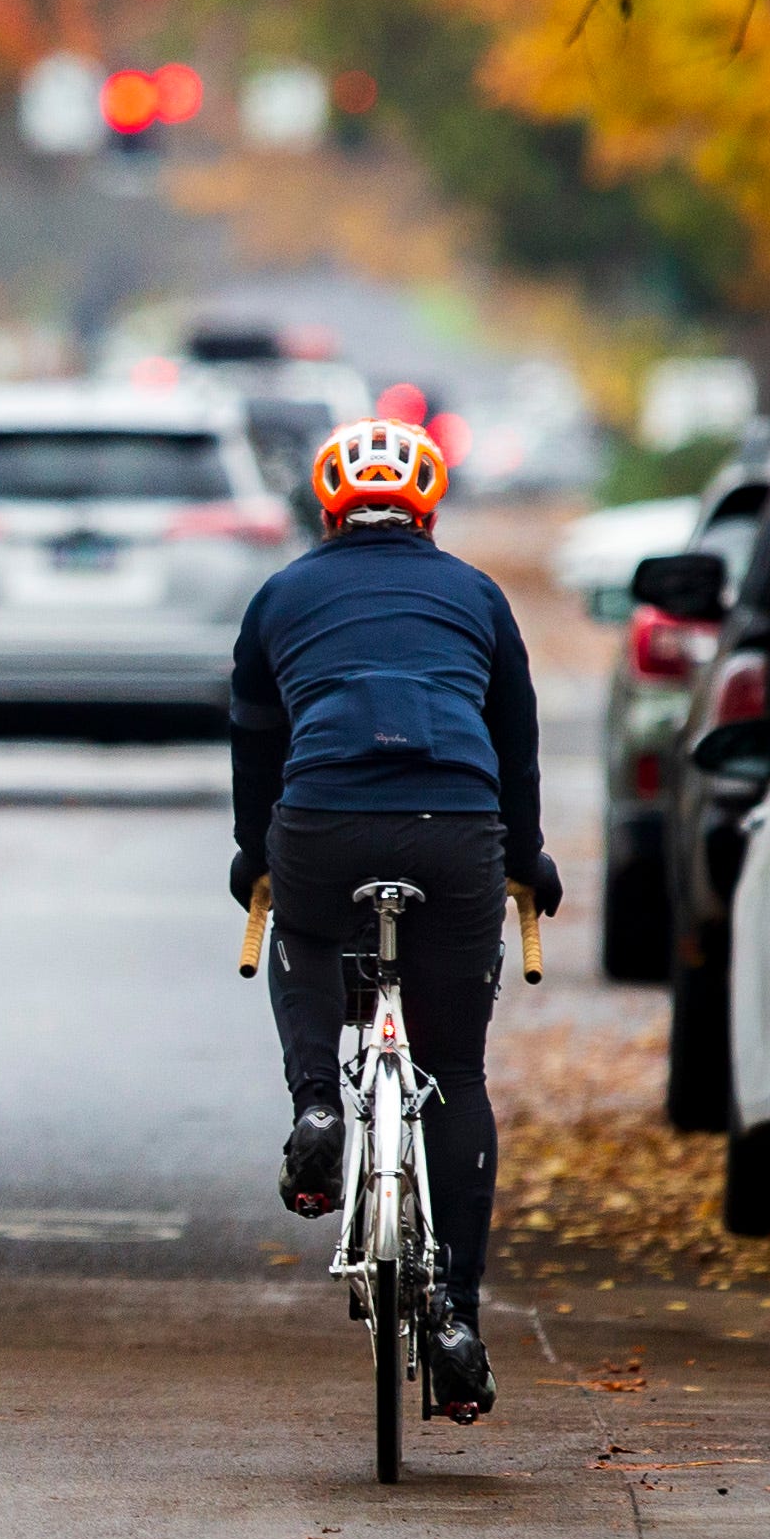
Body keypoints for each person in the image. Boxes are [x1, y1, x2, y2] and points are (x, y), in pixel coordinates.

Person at [226, 416, 561, 1419]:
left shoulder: (281, 594)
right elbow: (516, 737)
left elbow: (253, 740)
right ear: (428, 506)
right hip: (456, 823)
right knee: (453, 1071)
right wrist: (524, 852)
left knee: (313, 933)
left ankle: (319, 1103)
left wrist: (257, 853)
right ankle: (455, 1313)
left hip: (322, 817)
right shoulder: (476, 594)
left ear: (329, 505)